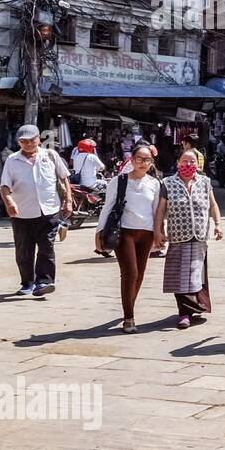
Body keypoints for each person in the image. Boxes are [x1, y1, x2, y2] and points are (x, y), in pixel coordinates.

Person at [97, 142, 162, 331]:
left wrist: (159, 232)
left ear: (151, 162)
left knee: (140, 275)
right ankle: (129, 317)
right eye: (139, 159)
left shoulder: (155, 183)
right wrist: (99, 232)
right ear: (132, 160)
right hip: (124, 232)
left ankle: (129, 305)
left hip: (147, 233)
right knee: (130, 273)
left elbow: (157, 210)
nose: (143, 163)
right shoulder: (119, 181)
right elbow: (107, 207)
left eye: (147, 160)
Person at [155, 148, 222, 329]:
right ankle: (183, 312)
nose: (188, 164)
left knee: (195, 274)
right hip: (178, 234)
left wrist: (218, 224)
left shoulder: (205, 182)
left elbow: (212, 204)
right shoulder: (167, 183)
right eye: (185, 161)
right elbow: (161, 209)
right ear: (178, 163)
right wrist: (158, 230)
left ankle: (194, 307)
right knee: (179, 275)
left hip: (199, 235)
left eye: (192, 161)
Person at [1, 124, 72, 297]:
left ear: (39, 139)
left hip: (49, 209)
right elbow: (4, 186)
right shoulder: (12, 160)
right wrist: (9, 201)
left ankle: (44, 282)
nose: (29, 144)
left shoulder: (50, 155)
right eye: (24, 141)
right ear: (19, 142)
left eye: (32, 140)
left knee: (47, 247)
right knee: (24, 250)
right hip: (22, 212)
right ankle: (27, 283)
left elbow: (63, 178)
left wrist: (68, 201)